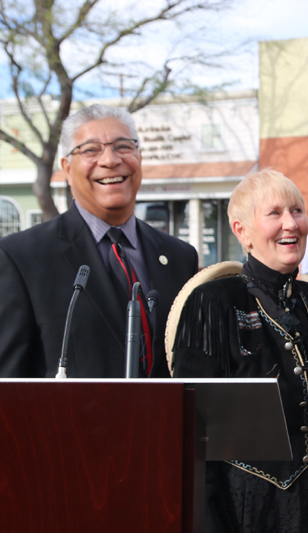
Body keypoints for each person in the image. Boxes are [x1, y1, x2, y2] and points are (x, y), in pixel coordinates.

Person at [171, 169, 308, 533]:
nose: (291, 224)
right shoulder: (214, 301)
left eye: (297, 211)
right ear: (242, 231)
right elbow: (192, 432)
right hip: (248, 511)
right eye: (275, 213)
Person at [0, 104, 197, 378]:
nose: (110, 160)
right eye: (91, 150)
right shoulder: (21, 258)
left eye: (123, 146)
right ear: (67, 168)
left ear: (139, 157)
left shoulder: (180, 257)